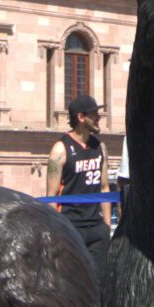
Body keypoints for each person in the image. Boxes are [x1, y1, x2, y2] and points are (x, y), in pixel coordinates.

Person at [47, 95, 110, 279]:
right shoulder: (60, 149)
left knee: (98, 284)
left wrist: (106, 226)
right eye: (94, 114)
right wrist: (58, 232)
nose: (99, 117)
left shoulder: (100, 147)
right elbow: (51, 196)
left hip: (97, 229)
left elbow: (104, 187)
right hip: (71, 227)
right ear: (81, 117)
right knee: (75, 284)